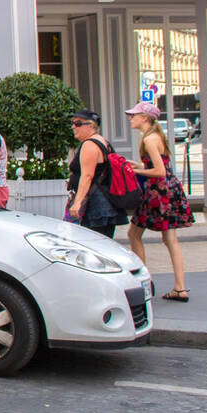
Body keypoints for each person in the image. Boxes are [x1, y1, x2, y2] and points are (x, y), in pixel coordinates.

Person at [125, 101, 194, 301]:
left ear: (144, 118)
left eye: (134, 115)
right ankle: (180, 288)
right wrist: (139, 164)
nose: (131, 118)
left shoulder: (149, 140)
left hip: (157, 192)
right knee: (170, 240)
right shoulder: (156, 136)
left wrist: (135, 170)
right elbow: (161, 164)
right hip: (168, 190)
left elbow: (159, 171)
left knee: (134, 234)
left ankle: (143, 281)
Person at [66, 109, 127, 238]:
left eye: (78, 123)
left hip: (95, 204)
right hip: (104, 203)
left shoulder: (90, 144)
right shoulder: (103, 142)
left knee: (92, 245)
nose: (73, 127)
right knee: (103, 244)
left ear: (91, 125)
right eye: (73, 123)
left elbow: (87, 176)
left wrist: (78, 202)